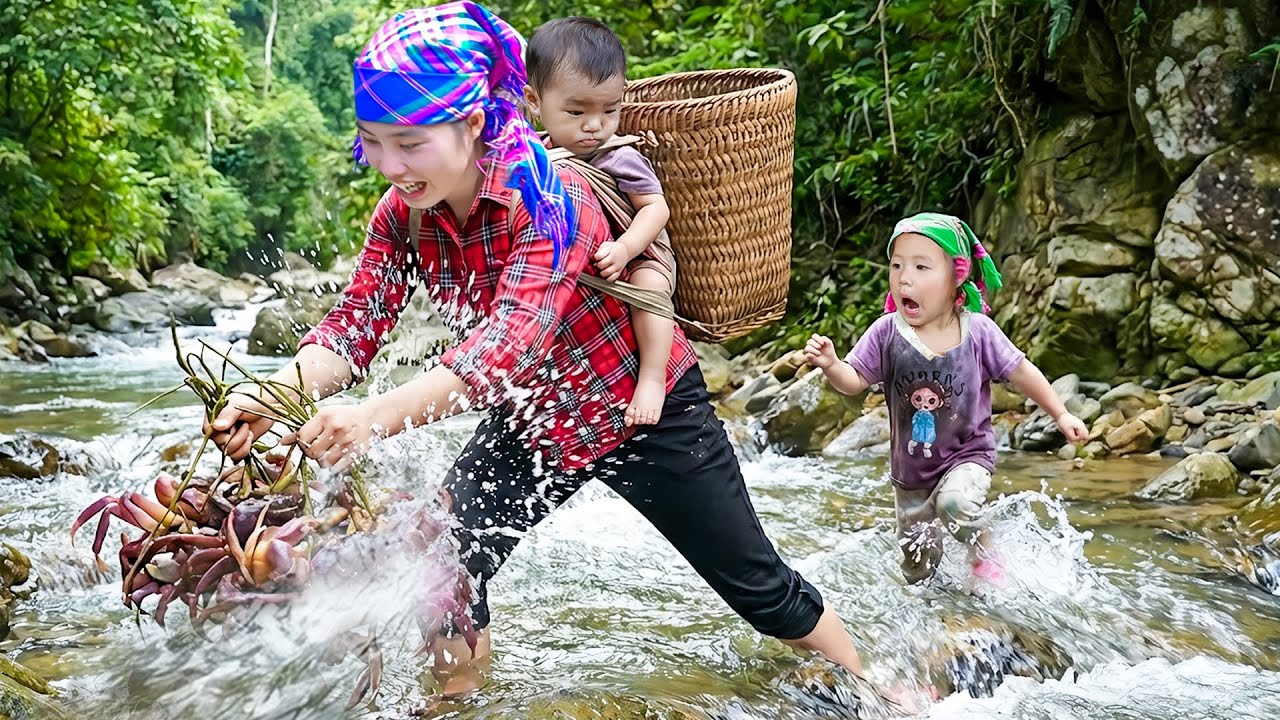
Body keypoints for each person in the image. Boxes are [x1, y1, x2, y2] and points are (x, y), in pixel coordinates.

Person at [206, 1, 871, 698]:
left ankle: (878, 693)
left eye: (410, 142)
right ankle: (456, 701)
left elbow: (509, 346)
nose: (391, 166)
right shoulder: (400, 217)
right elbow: (354, 326)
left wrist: (372, 418)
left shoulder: (552, 197)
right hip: (538, 419)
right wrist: (273, 393)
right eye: (374, 142)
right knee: (448, 560)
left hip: (640, 406)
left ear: (471, 125)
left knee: (758, 588)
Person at [805, 212, 1089, 587]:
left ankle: (982, 546)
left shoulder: (978, 332)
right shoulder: (886, 333)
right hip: (910, 476)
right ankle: (943, 614)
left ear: (957, 275)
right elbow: (854, 381)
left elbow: (1021, 371)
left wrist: (1061, 412)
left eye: (922, 267)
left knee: (955, 505)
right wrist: (831, 365)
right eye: (897, 265)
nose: (905, 277)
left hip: (967, 456)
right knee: (918, 569)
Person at [523, 17, 676, 427]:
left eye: (610, 110)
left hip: (640, 255)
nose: (595, 125)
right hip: (582, 271)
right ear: (535, 102)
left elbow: (656, 209)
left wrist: (627, 247)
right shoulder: (537, 156)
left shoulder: (617, 155)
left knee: (650, 287)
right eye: (576, 111)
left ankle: (653, 378)